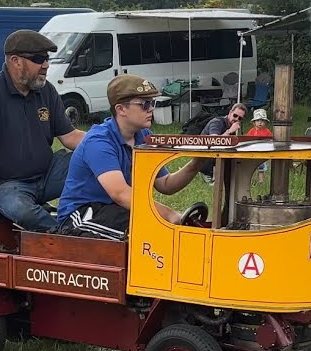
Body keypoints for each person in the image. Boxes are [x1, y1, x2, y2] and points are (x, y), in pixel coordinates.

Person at [0, 29, 86, 231]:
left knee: (97, 162)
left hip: (47, 175)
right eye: (38, 59)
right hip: (4, 185)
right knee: (23, 211)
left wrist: (109, 143)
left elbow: (70, 136)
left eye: (46, 58)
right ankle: (68, 235)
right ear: (16, 61)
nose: (46, 65)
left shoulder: (46, 90)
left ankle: (99, 222)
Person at [57, 75, 204, 240]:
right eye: (145, 104)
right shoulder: (98, 142)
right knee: (147, 230)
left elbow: (165, 184)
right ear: (121, 109)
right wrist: (168, 214)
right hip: (80, 216)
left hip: (114, 210)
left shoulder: (144, 136)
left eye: (152, 103)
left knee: (153, 228)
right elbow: (120, 194)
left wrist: (196, 163)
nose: (151, 109)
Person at [246, 109, 272, 185]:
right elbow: (248, 140)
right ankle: (251, 180)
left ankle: (261, 181)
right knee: (251, 167)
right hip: (253, 152)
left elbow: (270, 141)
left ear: (265, 122)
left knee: (261, 168)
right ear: (254, 122)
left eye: (262, 121)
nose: (260, 122)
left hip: (263, 152)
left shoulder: (267, 131)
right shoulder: (251, 131)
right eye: (258, 121)